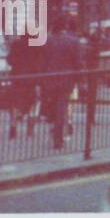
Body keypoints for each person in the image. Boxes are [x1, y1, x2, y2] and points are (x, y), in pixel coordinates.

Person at [40, 10, 83, 151]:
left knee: (53, 107)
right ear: (65, 26)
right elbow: (78, 62)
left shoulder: (47, 40)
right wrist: (79, 79)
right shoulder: (73, 41)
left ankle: (54, 130)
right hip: (66, 79)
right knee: (61, 108)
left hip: (49, 79)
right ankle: (58, 138)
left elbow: (42, 61)